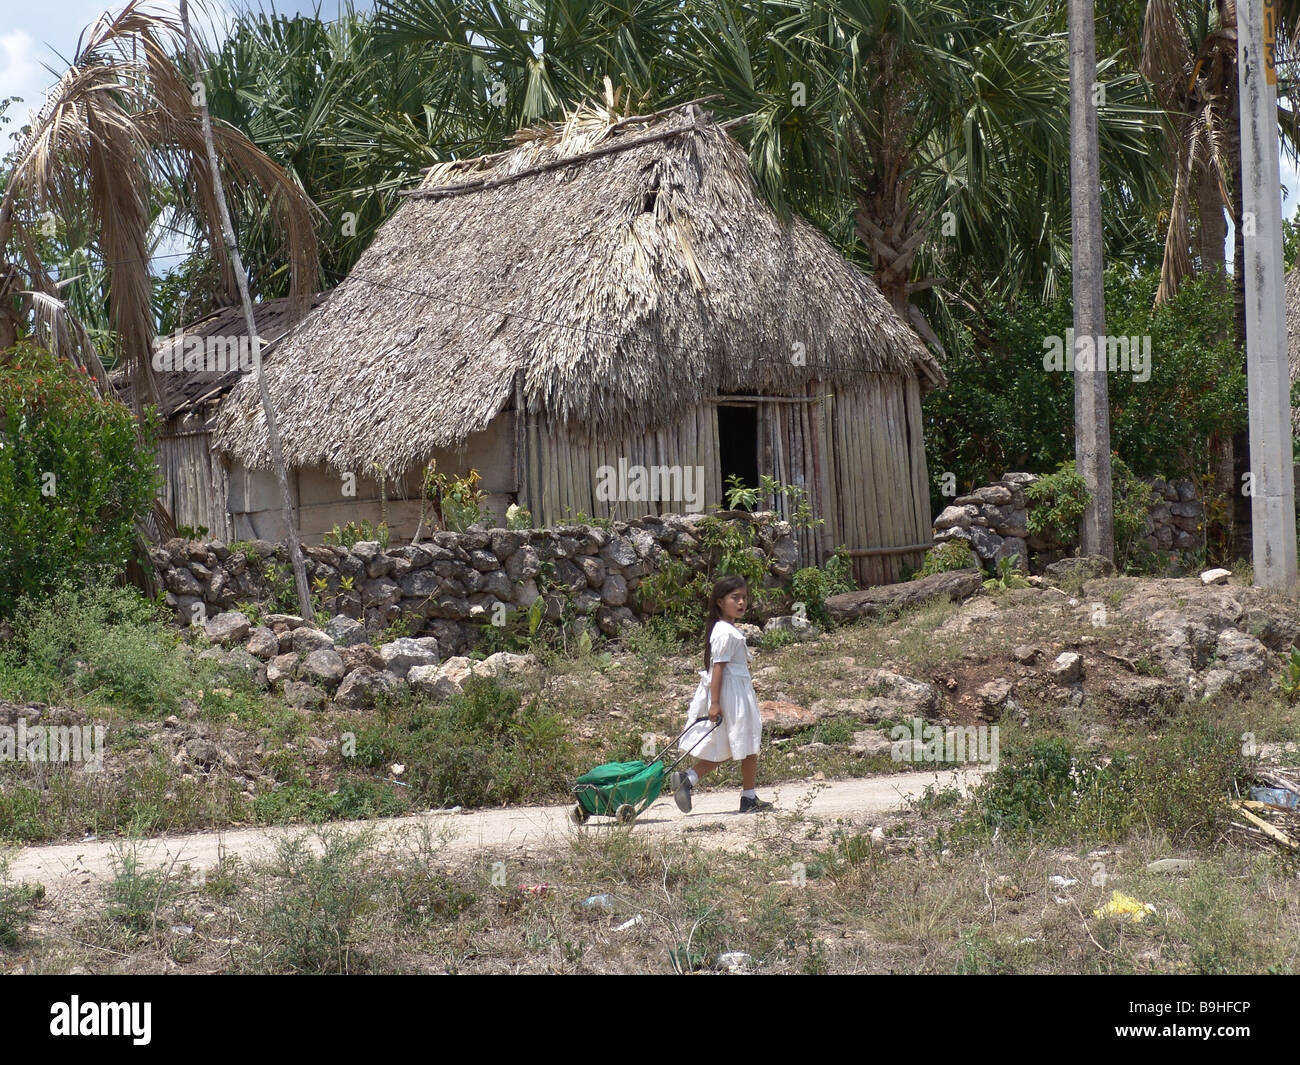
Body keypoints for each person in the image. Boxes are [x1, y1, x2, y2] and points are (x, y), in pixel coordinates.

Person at [670, 575, 772, 814]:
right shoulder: (725, 632)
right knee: (744, 740)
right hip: (733, 695)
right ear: (719, 602)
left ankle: (741, 793)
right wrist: (715, 703)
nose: (741, 603)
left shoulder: (727, 629)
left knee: (744, 741)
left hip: (737, 691)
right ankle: (742, 795)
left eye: (744, 598)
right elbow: (718, 668)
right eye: (734, 598)